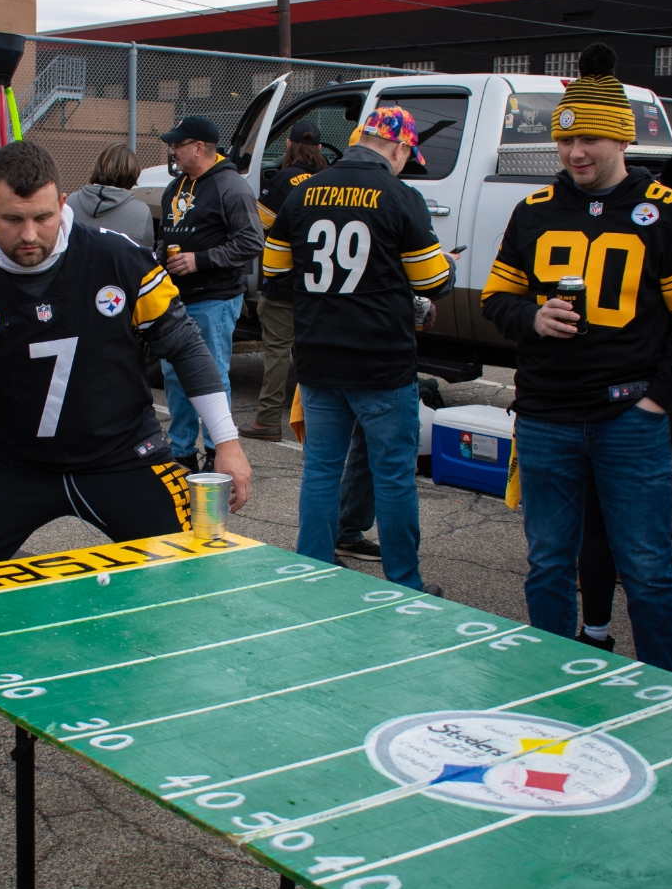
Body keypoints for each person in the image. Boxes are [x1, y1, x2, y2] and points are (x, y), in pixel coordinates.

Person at [0, 141, 253, 768]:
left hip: (123, 454)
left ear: (62, 202)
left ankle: (184, 694)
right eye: (12, 219)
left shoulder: (116, 258)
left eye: (42, 216)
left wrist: (227, 442)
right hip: (12, 459)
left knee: (191, 574)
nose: (29, 233)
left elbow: (185, 346)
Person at [479, 43, 672, 677]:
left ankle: (668, 682)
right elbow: (497, 300)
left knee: (647, 563)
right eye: (565, 141)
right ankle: (551, 680)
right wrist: (532, 316)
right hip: (547, 413)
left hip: (628, 419)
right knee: (549, 559)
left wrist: (656, 400)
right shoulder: (533, 211)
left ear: (621, 139)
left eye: (589, 139)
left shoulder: (667, 212)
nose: (575, 152)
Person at [263, 105, 454, 590]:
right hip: (381, 361)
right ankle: (402, 581)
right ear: (399, 146)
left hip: (318, 357)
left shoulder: (302, 193)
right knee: (393, 477)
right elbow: (432, 281)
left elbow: (273, 276)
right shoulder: (400, 195)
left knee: (322, 470)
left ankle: (313, 570)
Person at [573, 157, 672, 678]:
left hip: (653, 410)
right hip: (651, 411)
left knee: (632, 538)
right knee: (661, 540)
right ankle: (667, 652)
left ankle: (614, 638)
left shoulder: (667, 237)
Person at [157, 115, 263, 471]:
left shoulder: (230, 186)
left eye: (178, 145)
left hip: (213, 297)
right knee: (174, 373)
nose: (173, 151)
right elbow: (166, 234)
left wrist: (200, 260)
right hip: (175, 298)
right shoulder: (176, 187)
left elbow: (251, 241)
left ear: (199, 148)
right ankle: (182, 451)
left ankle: (218, 451)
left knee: (210, 374)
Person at [244, 119, 328, 443]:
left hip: (283, 283)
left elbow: (261, 224)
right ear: (320, 149)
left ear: (290, 145)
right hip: (319, 285)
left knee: (277, 352)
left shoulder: (282, 180)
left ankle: (266, 421)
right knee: (309, 353)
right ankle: (318, 419)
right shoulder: (328, 180)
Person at [67, 142, 157, 248]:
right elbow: (145, 257)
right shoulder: (141, 211)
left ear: (98, 166)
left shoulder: (70, 202)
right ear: (133, 172)